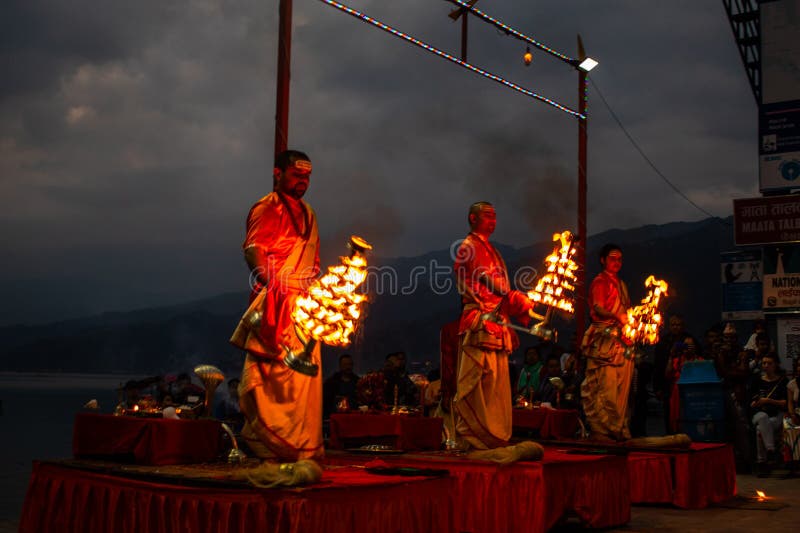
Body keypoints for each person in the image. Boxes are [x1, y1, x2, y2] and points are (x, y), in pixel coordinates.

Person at [229, 149, 322, 461]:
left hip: (304, 306)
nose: (303, 182)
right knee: (273, 376)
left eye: (307, 177)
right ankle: (266, 439)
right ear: (277, 173)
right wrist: (276, 288)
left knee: (302, 380)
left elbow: (314, 265)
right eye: (297, 175)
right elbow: (253, 252)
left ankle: (298, 443)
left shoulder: (309, 214)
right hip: (276, 302)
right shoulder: (267, 208)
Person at [452, 202, 534, 450]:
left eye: (495, 216)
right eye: (487, 215)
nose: (493, 220)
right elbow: (483, 278)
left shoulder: (492, 250)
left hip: (498, 320)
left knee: (497, 382)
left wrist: (517, 304)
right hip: (480, 320)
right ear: (472, 218)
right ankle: (476, 435)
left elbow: (499, 285)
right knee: (479, 379)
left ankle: (494, 435)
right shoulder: (469, 246)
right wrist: (512, 295)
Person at [580, 244, 633, 442]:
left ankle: (618, 426)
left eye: (619, 259)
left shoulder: (622, 284)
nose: (617, 262)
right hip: (604, 339)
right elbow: (598, 308)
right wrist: (616, 317)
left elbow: (627, 311)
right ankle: (603, 428)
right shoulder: (600, 281)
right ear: (603, 260)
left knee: (622, 389)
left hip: (622, 339)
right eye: (612, 258)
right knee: (605, 386)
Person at [751, 352, 788, 476]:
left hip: (776, 415)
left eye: (769, 363)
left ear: (776, 365)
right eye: (764, 363)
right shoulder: (757, 380)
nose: (766, 365)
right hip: (759, 414)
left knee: (759, 430)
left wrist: (768, 400)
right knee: (762, 417)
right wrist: (757, 402)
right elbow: (751, 402)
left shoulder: (782, 381)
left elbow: (784, 403)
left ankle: (762, 462)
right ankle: (771, 451)